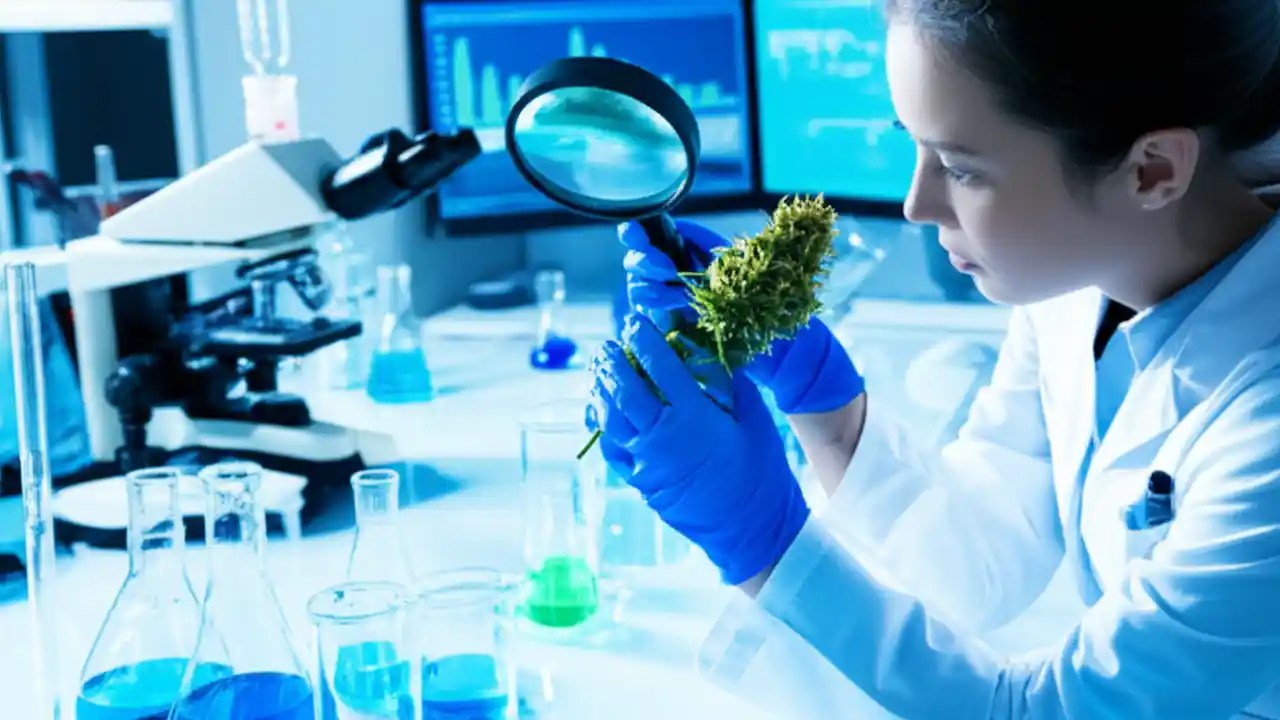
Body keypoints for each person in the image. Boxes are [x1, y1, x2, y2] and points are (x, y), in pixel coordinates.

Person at [586, 1, 1280, 718]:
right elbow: (977, 566)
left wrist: (758, 539)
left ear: (1152, 171)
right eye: (913, 147)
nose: (915, 204)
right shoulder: (1076, 284)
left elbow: (1043, 712)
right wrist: (826, 408)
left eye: (960, 168)